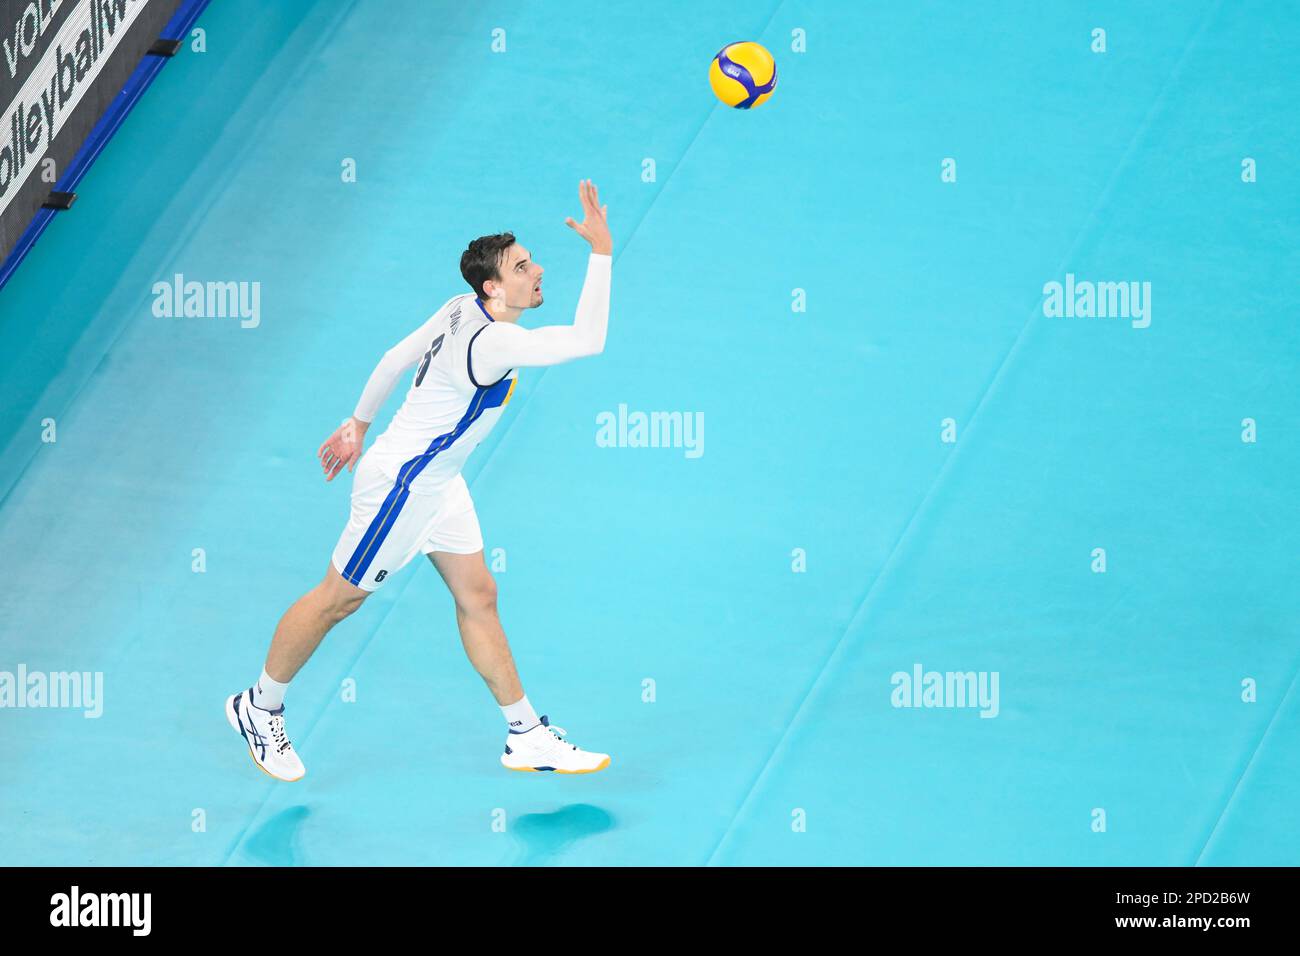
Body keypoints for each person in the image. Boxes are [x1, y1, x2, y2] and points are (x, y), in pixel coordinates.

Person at [225, 179, 614, 780]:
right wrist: (603, 252)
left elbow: (392, 358)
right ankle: (259, 706)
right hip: (401, 488)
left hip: (440, 483)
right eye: (522, 266)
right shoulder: (497, 341)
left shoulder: (461, 307)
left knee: (478, 595)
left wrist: (358, 422)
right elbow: (589, 340)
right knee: (338, 600)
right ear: (494, 286)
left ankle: (525, 734)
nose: (537, 270)